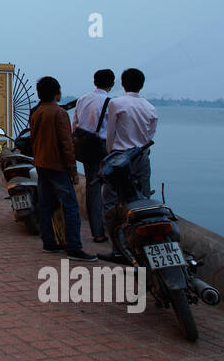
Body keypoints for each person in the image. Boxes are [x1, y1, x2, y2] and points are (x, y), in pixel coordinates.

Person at [29, 76, 96, 261]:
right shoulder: (59, 113)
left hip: (42, 164)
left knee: (46, 205)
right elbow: (67, 144)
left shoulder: (36, 113)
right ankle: (74, 247)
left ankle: (49, 242)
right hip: (58, 166)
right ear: (56, 93)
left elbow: (33, 140)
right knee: (71, 207)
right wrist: (73, 171)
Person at [72, 69, 114, 244]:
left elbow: (74, 125)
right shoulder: (110, 102)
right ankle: (111, 231)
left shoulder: (82, 99)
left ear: (94, 81)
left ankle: (97, 231)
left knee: (92, 187)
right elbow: (113, 130)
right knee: (111, 189)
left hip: (84, 146)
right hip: (103, 148)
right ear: (111, 84)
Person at [106, 67, 158, 200]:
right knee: (143, 196)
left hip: (119, 156)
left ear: (123, 84)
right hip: (141, 156)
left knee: (112, 197)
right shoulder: (150, 108)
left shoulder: (116, 103)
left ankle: (112, 220)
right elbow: (150, 136)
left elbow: (110, 132)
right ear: (142, 85)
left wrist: (109, 153)